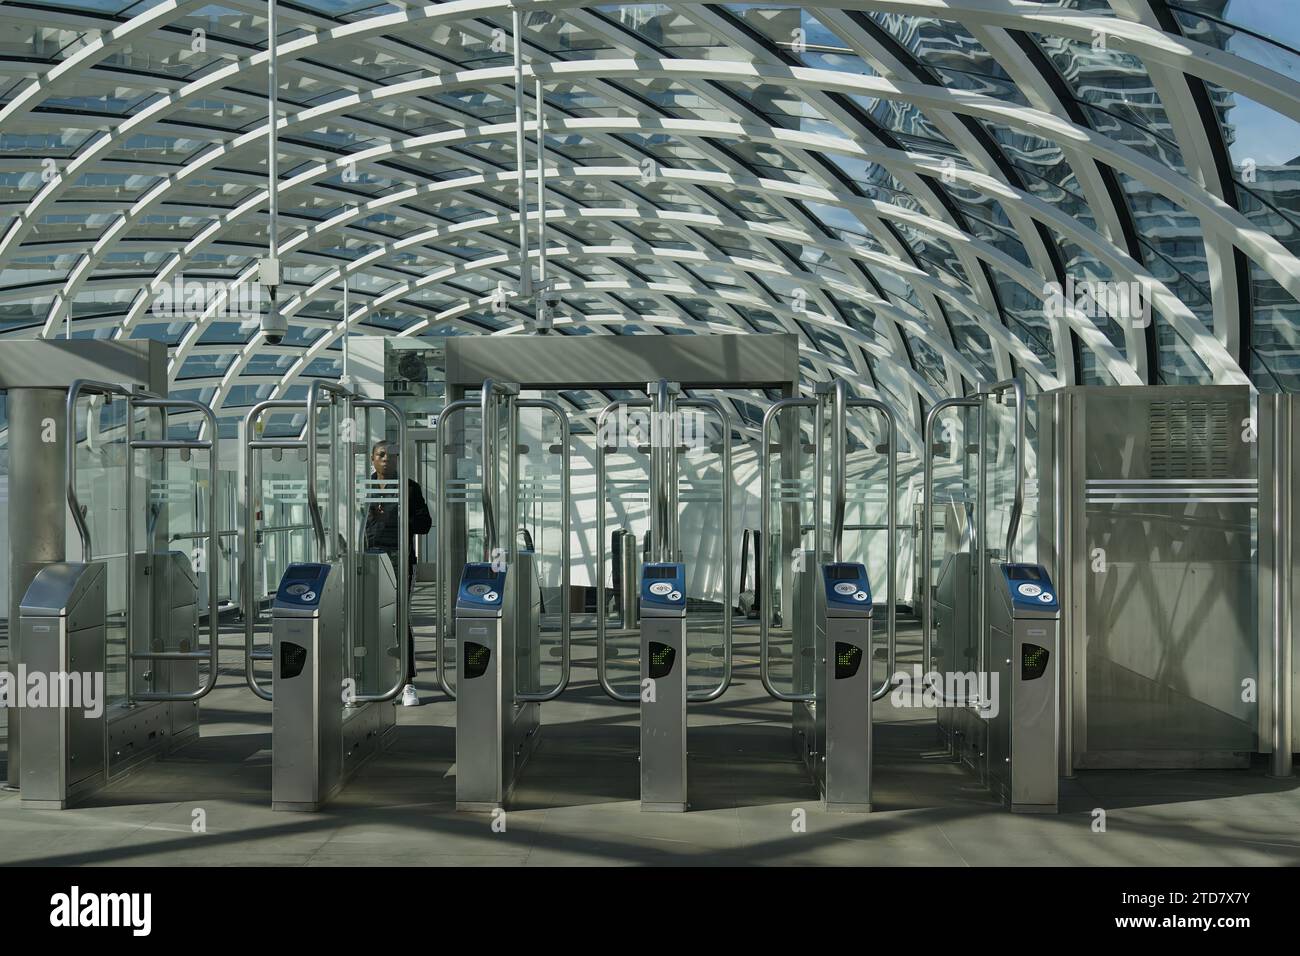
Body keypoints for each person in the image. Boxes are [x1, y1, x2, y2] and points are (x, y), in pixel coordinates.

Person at [363, 439, 433, 706]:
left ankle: (408, 683)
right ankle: (375, 681)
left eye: (391, 455)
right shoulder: (365, 487)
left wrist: (399, 518)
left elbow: (425, 523)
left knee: (399, 618)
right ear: (372, 459)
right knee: (370, 621)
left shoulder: (409, 487)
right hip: (369, 560)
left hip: (400, 559)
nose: (386, 460)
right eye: (381, 455)